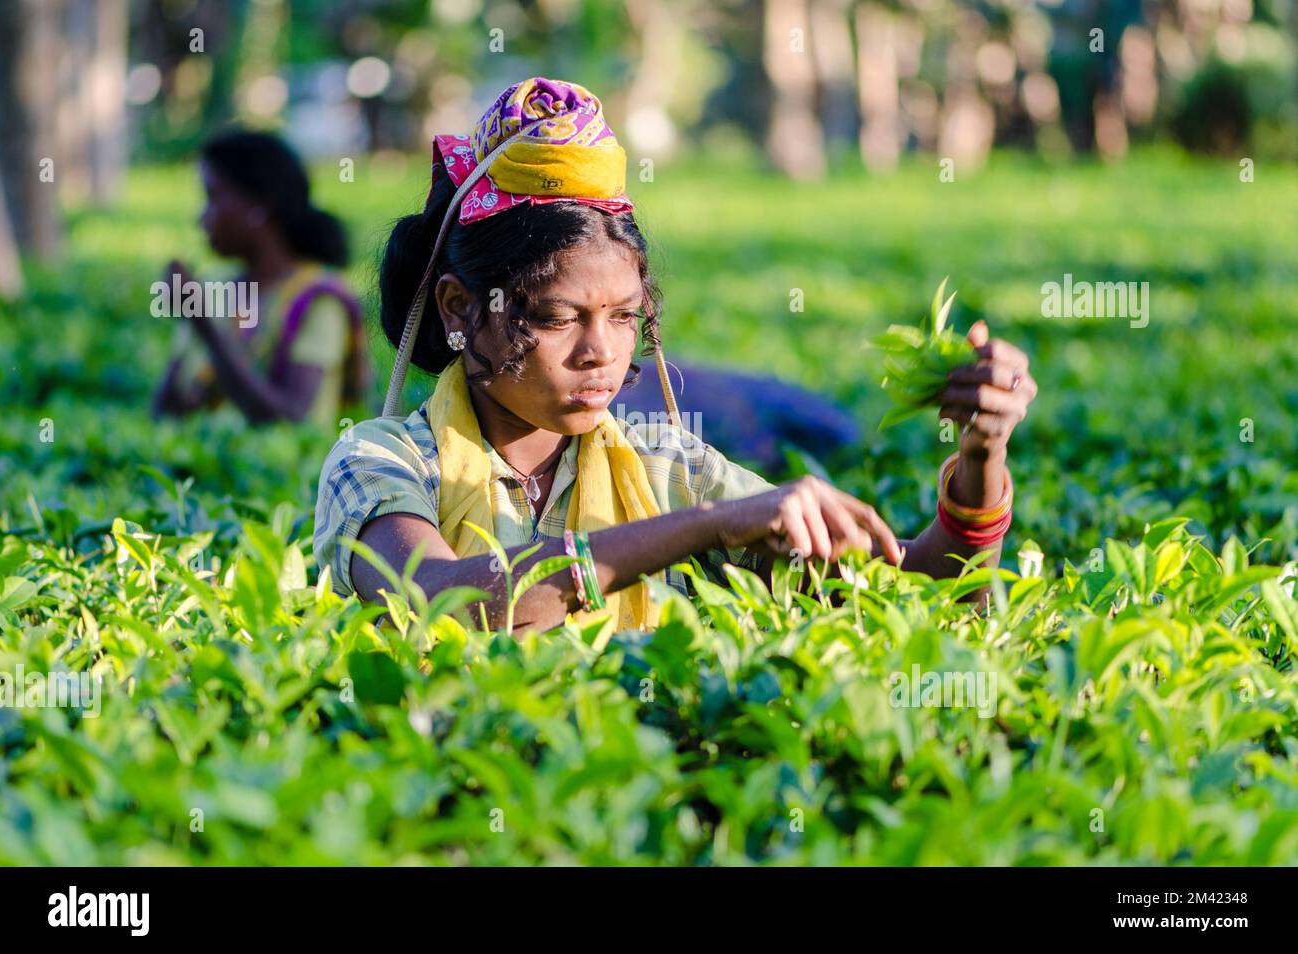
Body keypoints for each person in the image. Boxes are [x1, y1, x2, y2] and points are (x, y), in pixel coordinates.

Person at [313, 77, 1038, 634]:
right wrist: (705, 528)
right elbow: (449, 604)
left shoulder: (670, 468)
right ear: (459, 309)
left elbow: (922, 591)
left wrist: (983, 456)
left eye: (624, 317)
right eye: (562, 317)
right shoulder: (380, 462)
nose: (600, 352)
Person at [151, 129, 369, 426]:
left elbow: (292, 421)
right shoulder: (216, 289)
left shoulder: (319, 298)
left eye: (213, 197)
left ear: (259, 205)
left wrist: (206, 326)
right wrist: (188, 318)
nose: (201, 217)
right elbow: (163, 416)